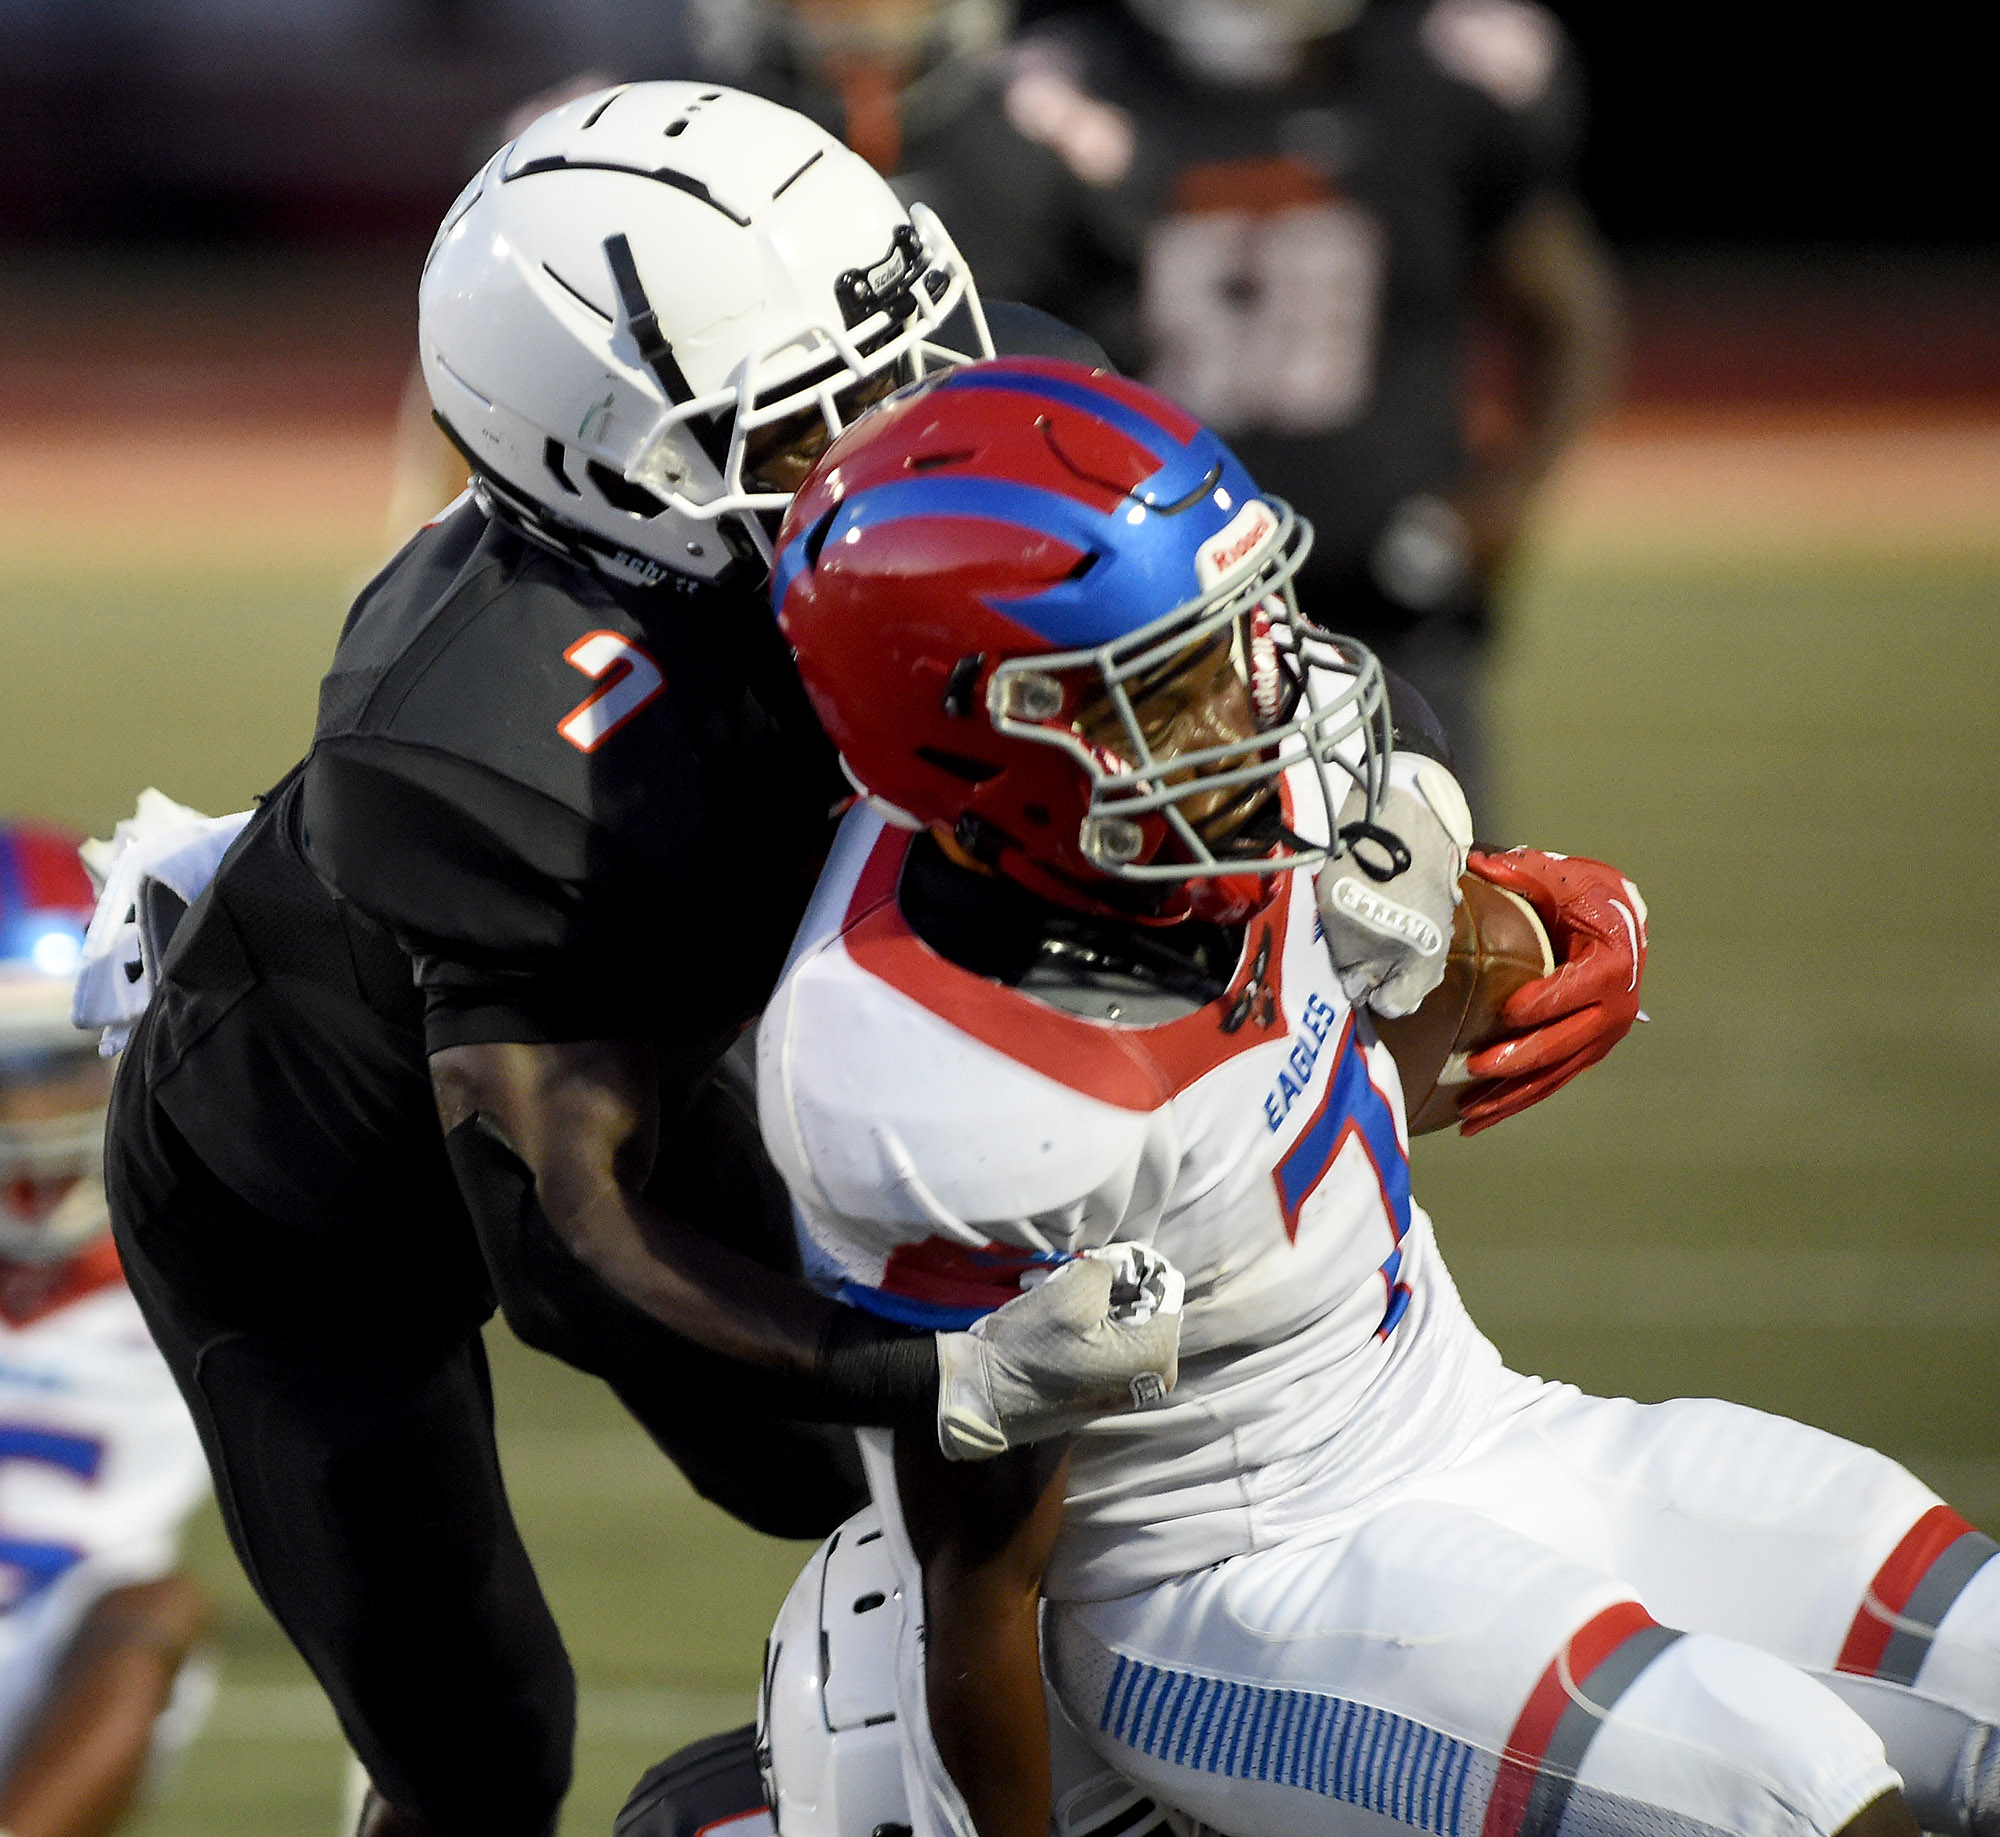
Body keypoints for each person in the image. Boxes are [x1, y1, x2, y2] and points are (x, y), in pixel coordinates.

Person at [99, 85, 1179, 1837]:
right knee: (483, 1743)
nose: (909, 439)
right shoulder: (487, 746)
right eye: (821, 418)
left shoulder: (952, 409)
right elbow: (571, 1245)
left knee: (843, 1480)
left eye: (909, 361)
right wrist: (942, 1370)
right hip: (304, 1197)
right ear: (620, 474)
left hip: (654, 1046)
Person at [747, 360, 1999, 1837]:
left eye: (1244, 627)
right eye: (1181, 676)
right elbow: (978, 1585)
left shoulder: (1174, 797)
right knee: (1799, 1799)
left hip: (1482, 1424)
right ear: (992, 739)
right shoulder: (932, 1074)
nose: (1260, 691)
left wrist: (1534, 949)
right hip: (1234, 1585)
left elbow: (1288, 1126)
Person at [954, 0, 1624, 826]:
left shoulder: (1429, 73)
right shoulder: (1063, 90)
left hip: (1390, 605)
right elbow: (1008, 354)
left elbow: (1566, 318)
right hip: (1160, 630)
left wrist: (1495, 508)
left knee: (1438, 900)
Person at [0, 822, 211, 1837]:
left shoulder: (195, 1276)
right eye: (11, 1068)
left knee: (154, 1609)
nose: (37, 1106)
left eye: (63, 1058)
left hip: (34, 1692)